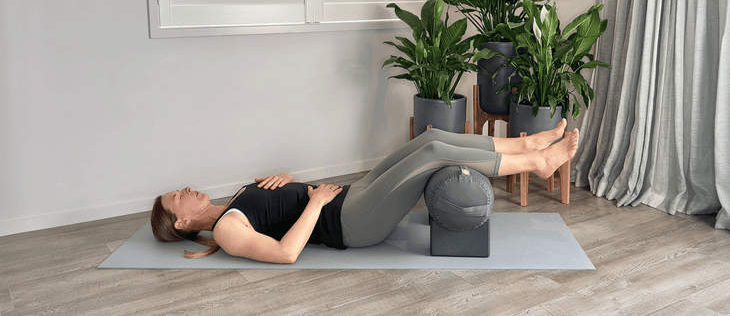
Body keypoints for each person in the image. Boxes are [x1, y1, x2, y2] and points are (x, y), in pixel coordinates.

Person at [151, 121, 579, 264]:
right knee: (432, 152)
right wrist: (315, 202)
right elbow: (285, 253)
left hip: (348, 195)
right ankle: (537, 163)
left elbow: (279, 205)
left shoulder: (236, 197)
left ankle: (527, 144)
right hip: (350, 222)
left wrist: (287, 179)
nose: (186, 189)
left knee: (425, 139)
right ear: (184, 222)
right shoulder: (226, 230)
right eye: (178, 197)